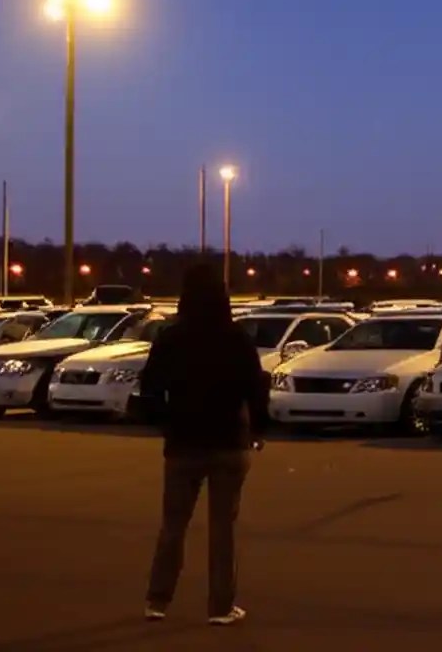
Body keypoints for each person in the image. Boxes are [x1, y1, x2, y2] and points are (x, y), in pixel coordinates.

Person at [140, 264, 269, 625]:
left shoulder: (171, 338)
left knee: (173, 525)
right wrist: (258, 428)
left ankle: (157, 600)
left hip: (183, 442)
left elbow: (150, 388)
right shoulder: (236, 338)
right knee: (223, 528)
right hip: (229, 441)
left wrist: (165, 422)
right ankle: (221, 606)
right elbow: (255, 387)